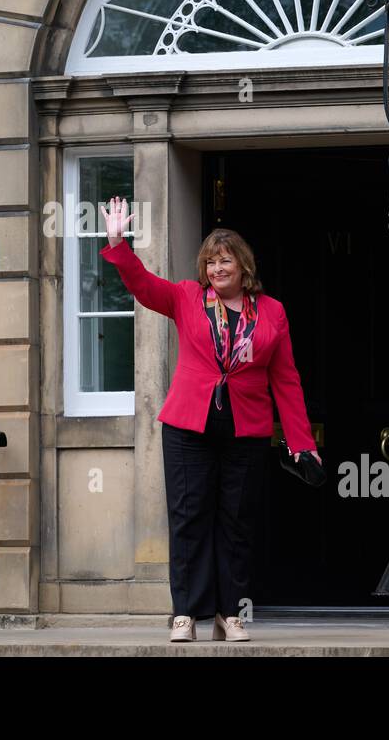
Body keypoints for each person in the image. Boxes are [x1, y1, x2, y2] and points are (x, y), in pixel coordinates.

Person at [99, 196, 320, 642]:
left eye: (226, 261)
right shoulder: (185, 297)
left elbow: (286, 379)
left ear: (243, 266)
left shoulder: (271, 311)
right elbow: (143, 286)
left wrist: (301, 440)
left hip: (246, 429)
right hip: (188, 426)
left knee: (236, 524)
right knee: (188, 519)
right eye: (211, 262)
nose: (218, 269)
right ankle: (185, 614)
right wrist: (118, 243)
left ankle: (229, 615)